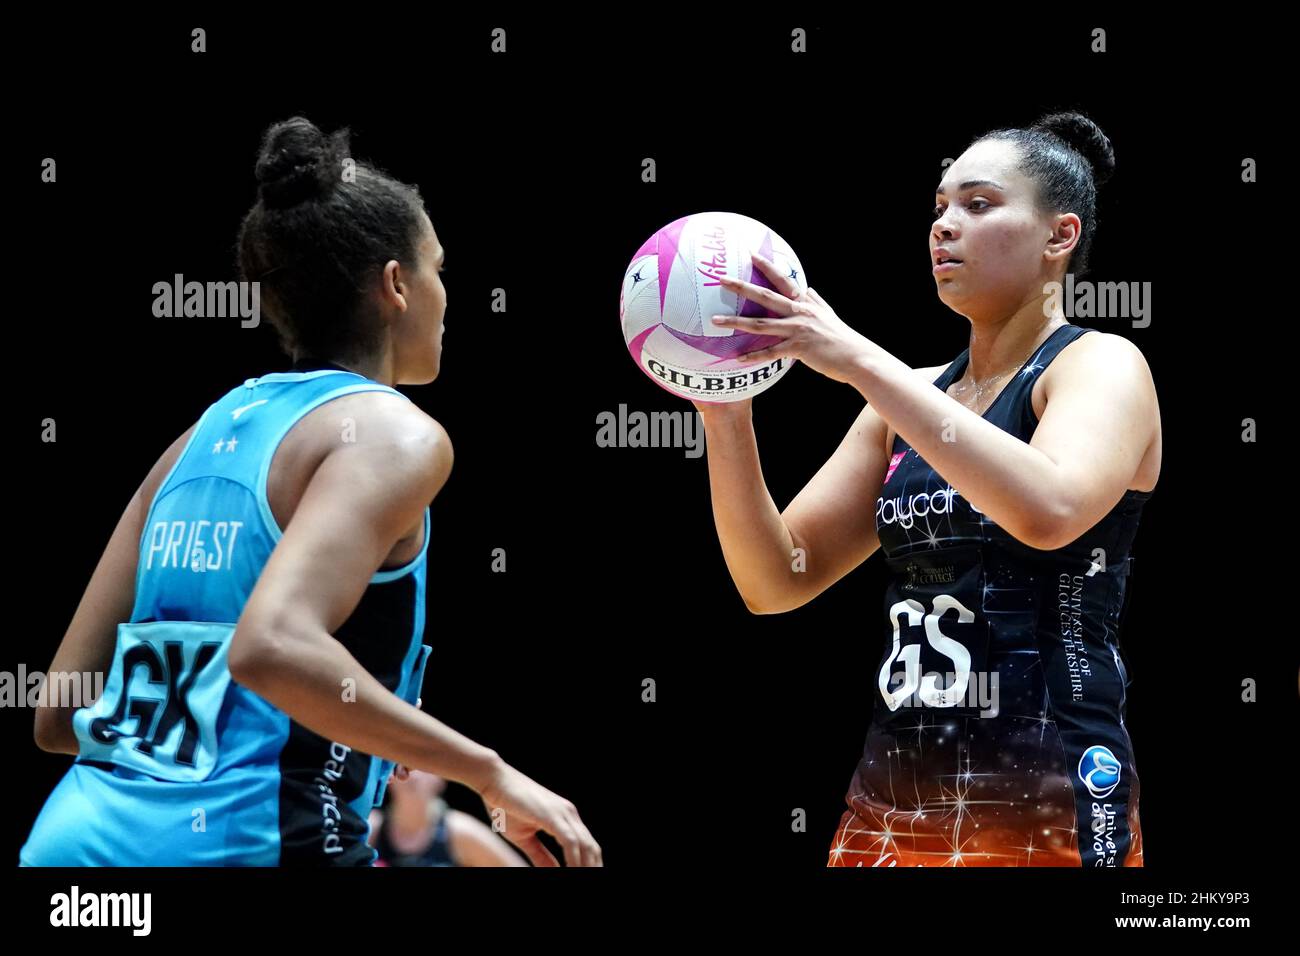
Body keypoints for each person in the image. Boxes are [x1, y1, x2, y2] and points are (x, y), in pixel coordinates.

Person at [22, 116, 601, 867]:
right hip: (244, 849)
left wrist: (357, 721)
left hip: (74, 850)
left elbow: (61, 713)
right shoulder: (396, 434)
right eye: (439, 269)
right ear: (396, 285)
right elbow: (271, 647)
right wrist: (488, 772)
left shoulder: (195, 440)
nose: (447, 295)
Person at [696, 112, 1158, 866]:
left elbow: (1051, 511)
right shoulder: (903, 401)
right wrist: (726, 413)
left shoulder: (1100, 365)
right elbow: (776, 579)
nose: (944, 226)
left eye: (978, 204)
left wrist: (856, 359)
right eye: (939, 207)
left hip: (1042, 805)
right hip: (887, 812)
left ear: (1059, 236)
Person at [368, 769, 527, 866]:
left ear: (441, 780)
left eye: (423, 767)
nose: (415, 776)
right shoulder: (370, 828)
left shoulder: (461, 831)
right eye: (406, 767)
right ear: (389, 776)